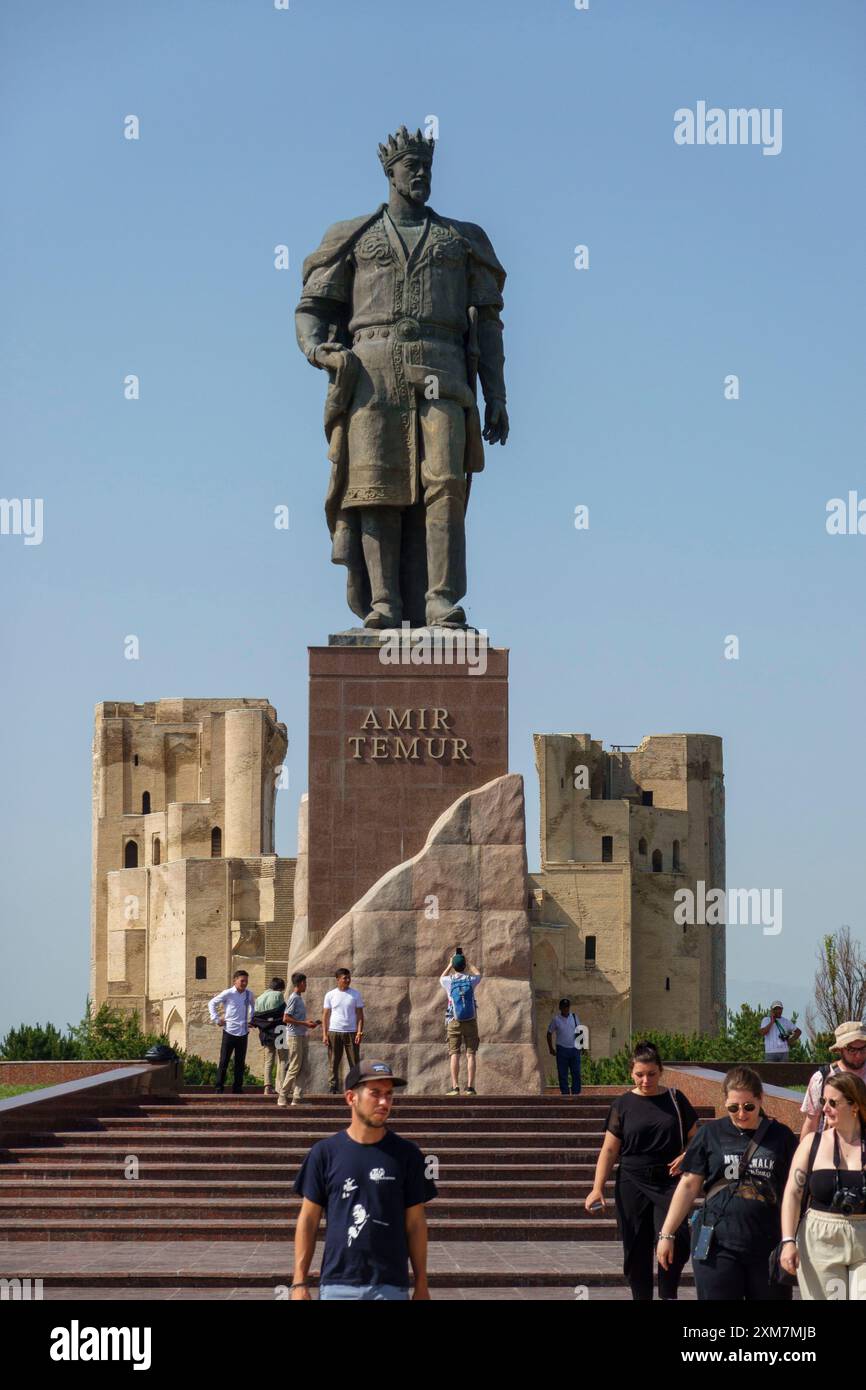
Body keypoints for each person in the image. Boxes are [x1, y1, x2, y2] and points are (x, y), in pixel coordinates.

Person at [295, 124, 508, 630]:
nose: (421, 175)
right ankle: (384, 602)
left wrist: (496, 393)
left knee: (446, 484)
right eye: (411, 167)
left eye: (426, 167)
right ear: (389, 173)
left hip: (442, 367)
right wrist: (318, 350)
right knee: (373, 488)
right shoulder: (354, 237)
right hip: (371, 371)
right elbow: (312, 308)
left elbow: (489, 322)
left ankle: (440, 599)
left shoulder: (461, 240)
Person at [291, 1060, 437, 1300]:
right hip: (338, 1284)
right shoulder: (324, 1153)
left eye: (389, 1094)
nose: (384, 1102)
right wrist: (299, 1283)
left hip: (390, 1286)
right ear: (351, 1098)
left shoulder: (408, 1155)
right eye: (375, 1093)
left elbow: (416, 1224)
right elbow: (308, 1219)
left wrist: (421, 1283)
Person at [660, 1064, 798, 1300]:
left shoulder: (781, 1136)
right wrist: (667, 1234)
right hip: (716, 1240)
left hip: (767, 1242)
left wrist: (791, 1240)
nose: (741, 1114)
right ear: (724, 1102)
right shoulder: (710, 1133)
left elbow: (794, 1191)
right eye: (733, 1108)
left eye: (749, 1107)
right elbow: (688, 1185)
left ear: (761, 1099)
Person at [586, 1041, 698, 1300]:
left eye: (651, 1074)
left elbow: (697, 1137)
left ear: (660, 1071)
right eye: (640, 1074)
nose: (645, 1080)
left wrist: (687, 1155)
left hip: (669, 1181)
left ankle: (668, 1294)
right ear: (631, 1073)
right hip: (632, 1182)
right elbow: (610, 1150)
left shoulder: (675, 1099)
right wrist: (597, 1188)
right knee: (636, 1247)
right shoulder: (622, 1104)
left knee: (676, 1239)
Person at [780, 1071, 866, 1299]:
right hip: (821, 1238)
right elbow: (793, 1193)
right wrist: (788, 1240)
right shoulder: (812, 1143)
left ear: (855, 1105)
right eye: (822, 1102)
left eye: (833, 1103)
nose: (825, 1109)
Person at [800, 1021, 866, 1136]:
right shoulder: (821, 1078)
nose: (858, 1055)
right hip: (830, 1148)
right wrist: (805, 1152)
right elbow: (811, 1123)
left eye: (863, 1049)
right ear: (840, 1049)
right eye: (852, 1050)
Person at [439, 948, 481, 1096]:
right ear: (464, 965)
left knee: (454, 1053)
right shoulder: (471, 980)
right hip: (470, 1020)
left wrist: (450, 964)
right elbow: (478, 974)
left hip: (453, 1020)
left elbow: (441, 977)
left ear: (454, 965)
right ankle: (470, 1087)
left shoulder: (448, 981)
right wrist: (468, 963)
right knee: (471, 1054)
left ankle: (455, 1087)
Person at [208, 970, 256, 1094]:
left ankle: (237, 1088)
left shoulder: (249, 994)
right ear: (235, 980)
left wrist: (251, 1020)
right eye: (242, 981)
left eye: (246, 981)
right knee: (224, 1061)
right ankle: (219, 1088)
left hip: (243, 1032)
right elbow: (212, 1003)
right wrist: (216, 1019)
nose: (244, 983)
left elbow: (253, 1007)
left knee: (240, 1063)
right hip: (229, 1031)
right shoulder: (228, 993)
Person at [277, 972, 321, 1108]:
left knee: (303, 1068)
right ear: (300, 983)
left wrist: (309, 1023)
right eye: (305, 983)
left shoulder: (299, 998)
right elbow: (286, 1018)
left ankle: (297, 1098)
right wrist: (305, 1024)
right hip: (294, 1036)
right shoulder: (294, 998)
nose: (306, 986)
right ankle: (282, 1095)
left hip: (301, 1035)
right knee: (295, 1067)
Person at [322, 968, 364, 1095]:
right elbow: (325, 1015)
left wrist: (359, 1032)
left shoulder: (355, 994)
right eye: (344, 978)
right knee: (333, 1061)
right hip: (334, 1031)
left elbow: (360, 1015)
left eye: (348, 977)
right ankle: (333, 1087)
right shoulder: (330, 995)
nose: (347, 980)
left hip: (351, 1032)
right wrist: (324, 1034)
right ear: (338, 980)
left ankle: (354, 1086)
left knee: (354, 1061)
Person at [252, 977, 287, 1095]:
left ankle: (267, 1086)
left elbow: (256, 1016)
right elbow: (283, 1011)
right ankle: (282, 1086)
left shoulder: (259, 998)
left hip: (265, 1032)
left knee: (268, 1060)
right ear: (280, 988)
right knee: (282, 1059)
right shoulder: (278, 995)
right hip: (279, 1030)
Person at [547, 998, 582, 1097]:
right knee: (563, 1074)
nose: (566, 1009)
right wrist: (551, 1048)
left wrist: (581, 1047)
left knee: (576, 1073)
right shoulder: (556, 1019)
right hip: (562, 1049)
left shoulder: (574, 1017)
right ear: (560, 1008)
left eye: (567, 1006)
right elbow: (549, 1033)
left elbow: (579, 1031)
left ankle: (576, 1094)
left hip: (574, 1049)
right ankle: (565, 1094)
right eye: (564, 1007)